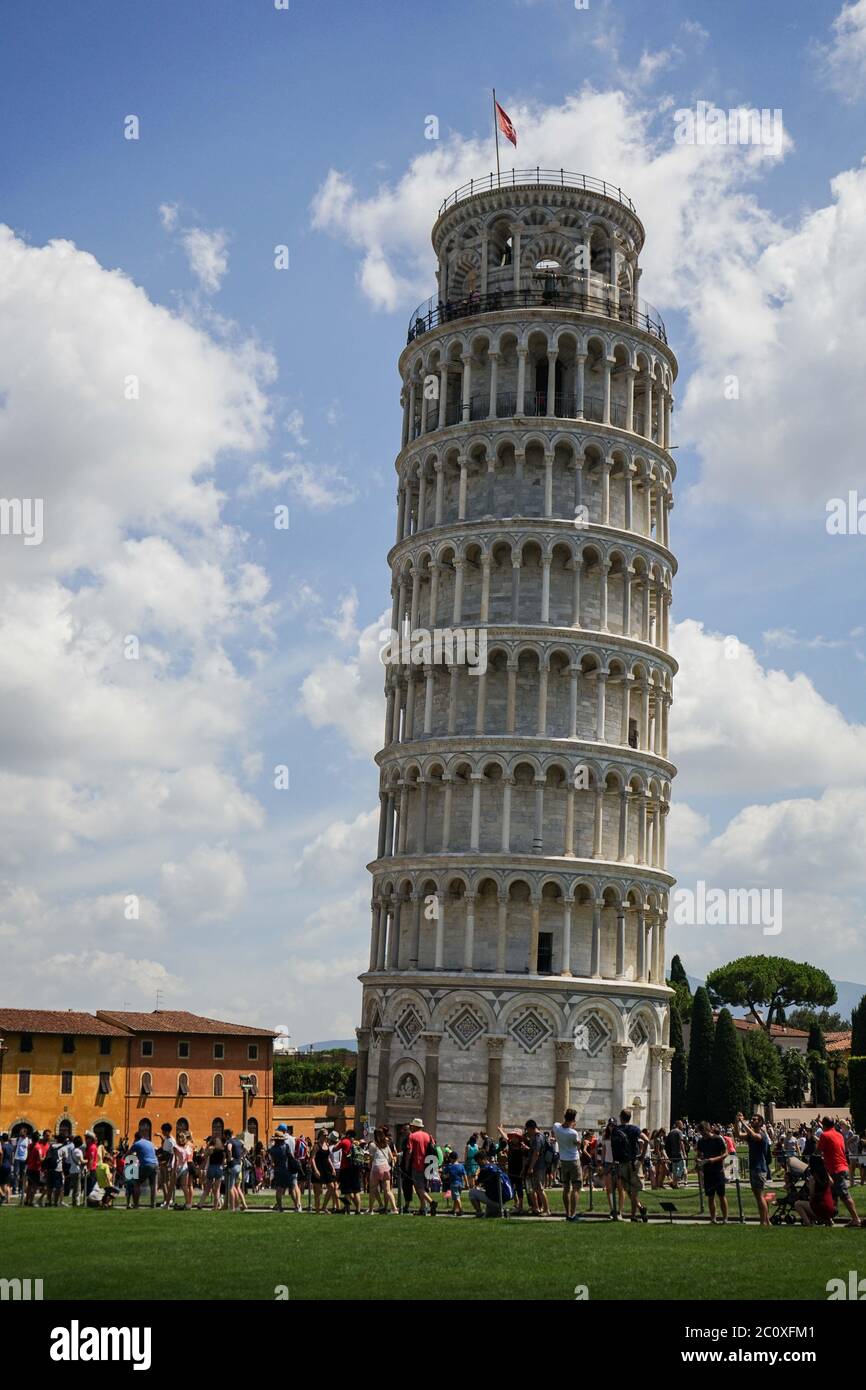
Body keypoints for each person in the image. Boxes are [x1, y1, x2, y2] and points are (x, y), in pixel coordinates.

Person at [817, 1115, 861, 1227]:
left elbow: (818, 1151)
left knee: (844, 1195)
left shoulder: (824, 1135)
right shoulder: (839, 1134)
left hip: (834, 1169)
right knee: (832, 1195)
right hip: (842, 1166)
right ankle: (829, 1219)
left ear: (824, 1125)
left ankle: (856, 1219)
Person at [611, 1109, 648, 1222]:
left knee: (627, 1189)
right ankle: (635, 1213)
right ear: (630, 1117)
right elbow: (646, 1140)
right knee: (634, 1190)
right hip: (634, 1162)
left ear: (621, 1118)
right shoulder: (634, 1129)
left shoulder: (615, 1130)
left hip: (621, 1163)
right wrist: (642, 1156)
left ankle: (638, 1211)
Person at [736, 1112, 771, 1226]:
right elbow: (738, 1135)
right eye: (752, 1119)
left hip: (760, 1168)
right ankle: (767, 1220)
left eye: (755, 1119)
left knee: (760, 1195)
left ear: (760, 1123)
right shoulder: (751, 1135)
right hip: (753, 1168)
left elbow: (755, 1136)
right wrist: (737, 1121)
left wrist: (743, 1122)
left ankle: (763, 1222)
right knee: (758, 1196)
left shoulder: (762, 1134)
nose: (752, 1120)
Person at [552, 1108, 582, 1221]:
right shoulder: (573, 1133)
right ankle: (573, 1215)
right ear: (573, 1119)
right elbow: (577, 1146)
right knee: (576, 1187)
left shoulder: (556, 1127)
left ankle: (567, 1213)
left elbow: (556, 1129)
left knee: (566, 1188)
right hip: (574, 1160)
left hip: (563, 1160)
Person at [697, 1121, 728, 1224]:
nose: (702, 1135)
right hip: (707, 1171)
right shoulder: (701, 1141)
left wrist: (713, 1159)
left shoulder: (717, 1139)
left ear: (708, 1129)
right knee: (710, 1196)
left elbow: (725, 1153)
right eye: (701, 1133)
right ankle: (713, 1218)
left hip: (718, 1170)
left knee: (721, 1195)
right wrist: (699, 1160)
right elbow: (699, 1154)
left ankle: (725, 1218)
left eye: (704, 1133)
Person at [794, 1154, 836, 1227]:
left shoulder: (813, 1178)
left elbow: (812, 1195)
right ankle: (827, 1220)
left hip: (820, 1207)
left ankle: (808, 1223)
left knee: (798, 1204)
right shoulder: (825, 1174)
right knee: (816, 1206)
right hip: (831, 1207)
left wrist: (809, 1186)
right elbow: (832, 1183)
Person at [405, 1117, 436, 1215]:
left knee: (419, 1188)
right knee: (422, 1186)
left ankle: (431, 1202)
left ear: (414, 1126)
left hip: (417, 1164)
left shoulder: (412, 1136)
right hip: (428, 1164)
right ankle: (422, 1209)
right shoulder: (428, 1136)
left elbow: (409, 1151)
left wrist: (406, 1163)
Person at [467, 1154, 513, 1218]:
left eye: (478, 1161)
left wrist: (475, 1176)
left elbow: (476, 1183)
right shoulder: (495, 1166)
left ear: (482, 1159)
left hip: (495, 1199)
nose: (478, 1163)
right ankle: (501, 1210)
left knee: (472, 1192)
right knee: (488, 1215)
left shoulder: (485, 1169)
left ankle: (479, 1212)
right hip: (503, 1198)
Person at [367, 1127, 397, 1214]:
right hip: (386, 1167)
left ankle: (371, 1210)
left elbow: (371, 1158)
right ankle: (394, 1208)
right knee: (388, 1190)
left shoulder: (372, 1145)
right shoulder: (386, 1145)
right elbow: (391, 1158)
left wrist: (369, 1165)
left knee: (372, 1189)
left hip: (376, 1167)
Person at [524, 1120, 550, 1215]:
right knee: (536, 1188)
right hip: (540, 1166)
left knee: (539, 1188)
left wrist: (531, 1167)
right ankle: (538, 1208)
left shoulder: (537, 1138)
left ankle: (546, 1210)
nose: (527, 1132)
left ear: (531, 1128)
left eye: (527, 1129)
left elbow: (536, 1153)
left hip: (538, 1166)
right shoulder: (541, 1136)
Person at [310, 1129, 338, 1213]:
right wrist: (315, 1170)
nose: (326, 1136)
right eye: (325, 1135)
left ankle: (324, 1207)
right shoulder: (316, 1145)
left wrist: (332, 1168)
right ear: (320, 1135)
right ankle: (317, 1210)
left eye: (327, 1135)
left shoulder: (327, 1144)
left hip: (326, 1169)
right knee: (318, 1192)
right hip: (318, 1168)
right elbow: (312, 1159)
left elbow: (328, 1158)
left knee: (332, 1188)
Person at [130, 1129, 159, 1209]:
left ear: (135, 1138)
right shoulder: (150, 1142)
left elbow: (128, 1154)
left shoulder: (136, 1143)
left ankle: (136, 1205)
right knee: (153, 1185)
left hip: (146, 1164)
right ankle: (153, 1204)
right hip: (155, 1164)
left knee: (137, 1183)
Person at [224, 1129, 247, 1212]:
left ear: (227, 1135)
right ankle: (237, 1206)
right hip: (238, 1165)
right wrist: (240, 1157)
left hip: (232, 1165)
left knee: (230, 1187)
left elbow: (229, 1149)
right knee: (235, 1187)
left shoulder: (229, 1141)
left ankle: (232, 1207)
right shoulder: (239, 1141)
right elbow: (245, 1150)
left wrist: (229, 1158)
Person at [441, 1147, 466, 1215]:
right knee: (456, 1197)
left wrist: (442, 1174)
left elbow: (444, 1174)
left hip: (454, 1184)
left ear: (451, 1158)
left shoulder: (450, 1166)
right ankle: (453, 1210)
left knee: (457, 1198)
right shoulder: (461, 1166)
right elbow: (464, 1175)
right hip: (460, 1184)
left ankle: (461, 1210)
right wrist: (466, 1183)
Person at [665, 1120, 687, 1188]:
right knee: (681, 1169)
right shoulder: (679, 1132)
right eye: (682, 1124)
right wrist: (684, 1153)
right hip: (679, 1153)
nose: (683, 1126)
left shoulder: (671, 1132)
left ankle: (675, 1184)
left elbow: (667, 1143)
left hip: (672, 1153)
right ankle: (674, 1183)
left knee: (674, 1170)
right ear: (678, 1124)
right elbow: (681, 1143)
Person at [159, 1123, 176, 1208]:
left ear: (167, 1131)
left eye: (163, 1131)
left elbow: (171, 1154)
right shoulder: (166, 1139)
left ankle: (167, 1200)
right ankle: (167, 1199)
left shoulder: (171, 1141)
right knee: (164, 1182)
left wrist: (166, 1163)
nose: (162, 1132)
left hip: (167, 1164)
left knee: (166, 1182)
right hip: (164, 1163)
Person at [0, 1133, 13, 1204]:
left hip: (3, 1165)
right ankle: (8, 1199)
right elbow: (12, 1156)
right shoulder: (11, 1146)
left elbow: (1, 1155)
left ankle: (3, 1197)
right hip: (9, 1165)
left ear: (2, 1139)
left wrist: (1, 1163)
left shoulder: (3, 1146)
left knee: (3, 1183)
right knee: (8, 1183)